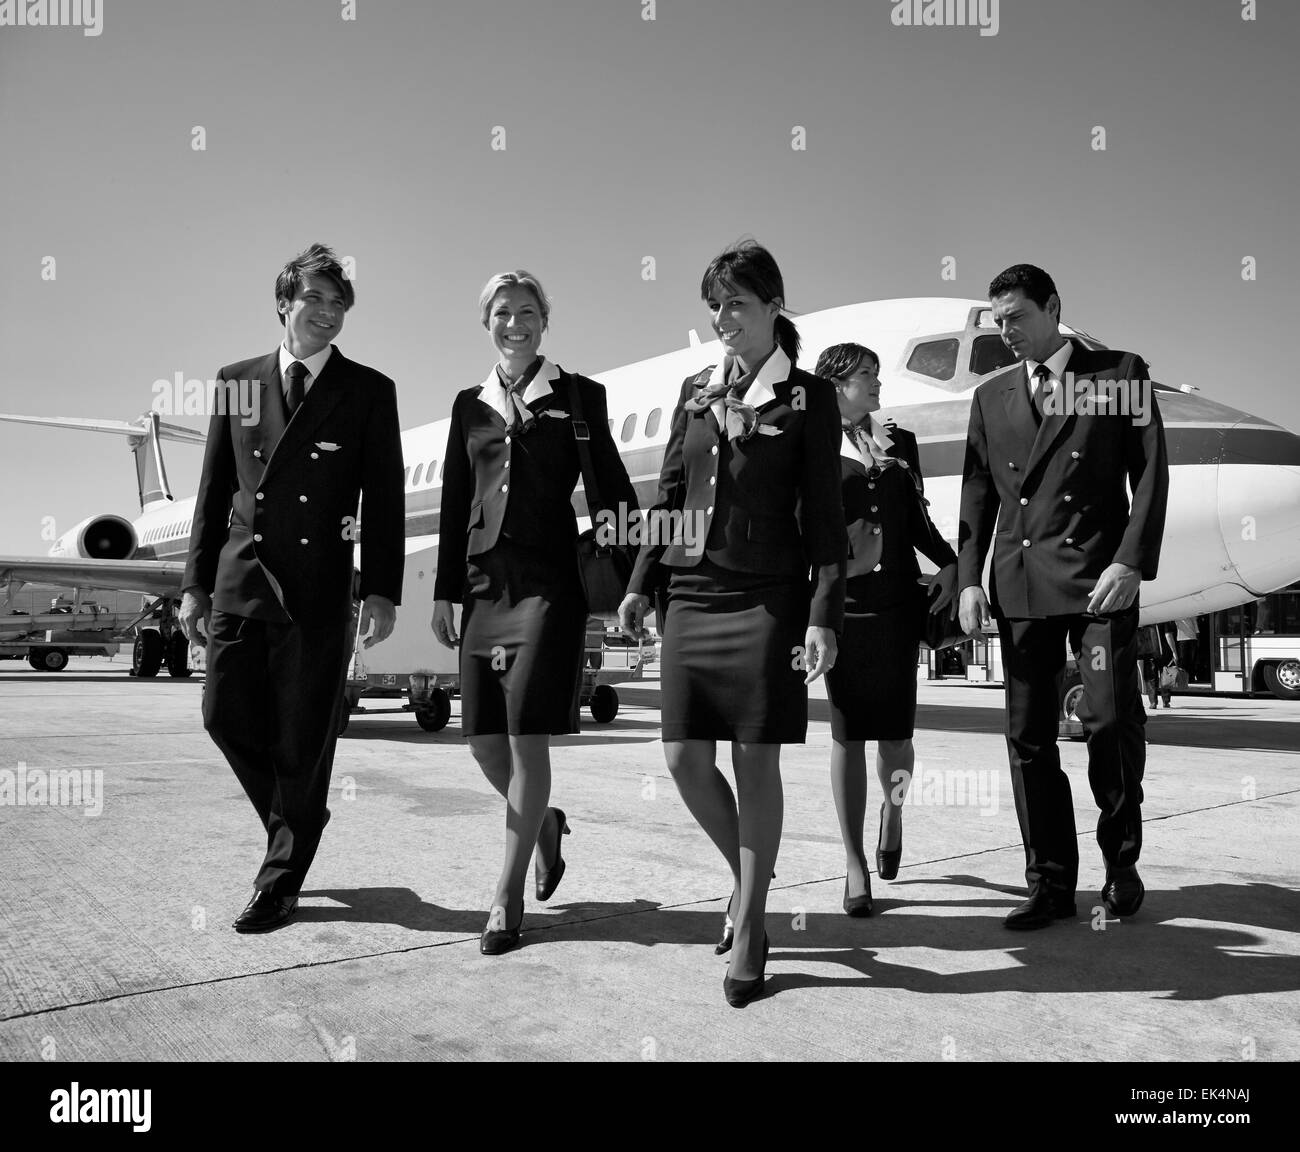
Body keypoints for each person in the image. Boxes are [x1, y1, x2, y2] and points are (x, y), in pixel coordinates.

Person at [619, 241, 846, 1007]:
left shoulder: (810, 399)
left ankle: (750, 925)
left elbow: (825, 519)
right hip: (691, 592)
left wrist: (821, 614)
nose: (724, 318)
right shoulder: (696, 387)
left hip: (766, 602)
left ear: (774, 307)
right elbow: (671, 491)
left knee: (756, 766)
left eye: (738, 304)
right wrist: (641, 581)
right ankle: (752, 874)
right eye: (715, 306)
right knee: (683, 756)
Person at [180, 243, 405, 933]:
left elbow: (385, 498)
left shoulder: (368, 390)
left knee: (303, 740)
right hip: (241, 578)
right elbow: (214, 489)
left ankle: (279, 879)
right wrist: (194, 585)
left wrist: (381, 591)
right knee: (223, 717)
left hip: (317, 588)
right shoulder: (236, 380)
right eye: (317, 299)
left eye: (340, 304)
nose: (329, 313)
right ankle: (299, 817)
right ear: (284, 302)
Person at [432, 271, 636, 956]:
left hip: (550, 586)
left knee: (526, 737)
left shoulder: (580, 396)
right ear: (485, 321)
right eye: (501, 312)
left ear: (544, 321)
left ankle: (507, 893)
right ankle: (544, 822)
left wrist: (636, 578)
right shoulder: (469, 404)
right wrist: (445, 595)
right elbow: (458, 503)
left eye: (526, 312)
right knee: (483, 741)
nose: (514, 323)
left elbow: (612, 491)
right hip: (485, 584)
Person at [958, 264, 1168, 929]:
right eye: (999, 321)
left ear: (1053, 308)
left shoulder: (1116, 375)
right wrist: (969, 578)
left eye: (1017, 317)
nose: (1007, 332)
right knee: (1027, 740)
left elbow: (1152, 471)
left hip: (1097, 584)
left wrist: (1132, 560)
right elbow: (978, 497)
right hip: (1020, 587)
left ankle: (1121, 861)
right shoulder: (991, 398)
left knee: (1107, 723)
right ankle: (1048, 884)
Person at [814, 342, 957, 915]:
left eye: (876, 374)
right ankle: (853, 862)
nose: (877, 384)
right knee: (847, 736)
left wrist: (948, 563)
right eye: (865, 376)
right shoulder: (814, 443)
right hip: (843, 605)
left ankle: (892, 812)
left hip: (898, 605)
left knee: (897, 734)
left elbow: (916, 519)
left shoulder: (901, 443)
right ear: (834, 385)